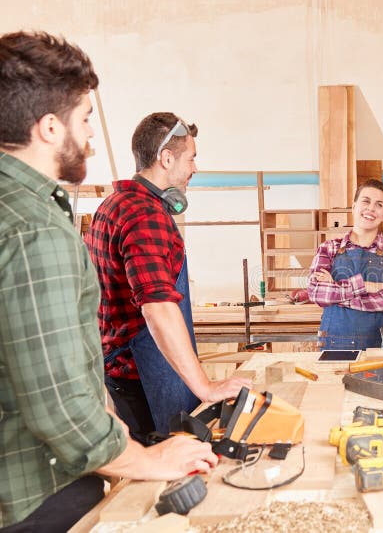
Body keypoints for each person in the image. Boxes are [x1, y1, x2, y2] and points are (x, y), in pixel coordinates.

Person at [0, 31, 219, 531]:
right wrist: (143, 458)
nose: (92, 138)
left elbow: (61, 347)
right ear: (50, 127)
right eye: (84, 120)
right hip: (40, 492)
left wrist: (113, 427)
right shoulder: (35, 228)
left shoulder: (59, 206)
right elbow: (57, 401)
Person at [84, 112, 250, 441]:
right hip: (148, 375)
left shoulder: (112, 205)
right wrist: (205, 385)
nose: (195, 168)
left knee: (153, 466)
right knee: (169, 469)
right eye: (191, 158)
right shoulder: (145, 214)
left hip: (123, 373)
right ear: (166, 157)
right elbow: (157, 307)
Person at [308, 179, 383, 349]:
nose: (370, 208)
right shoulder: (329, 248)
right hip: (334, 346)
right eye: (366, 201)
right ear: (354, 206)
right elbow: (316, 292)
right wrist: (363, 286)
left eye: (378, 204)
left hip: (380, 349)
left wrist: (335, 293)